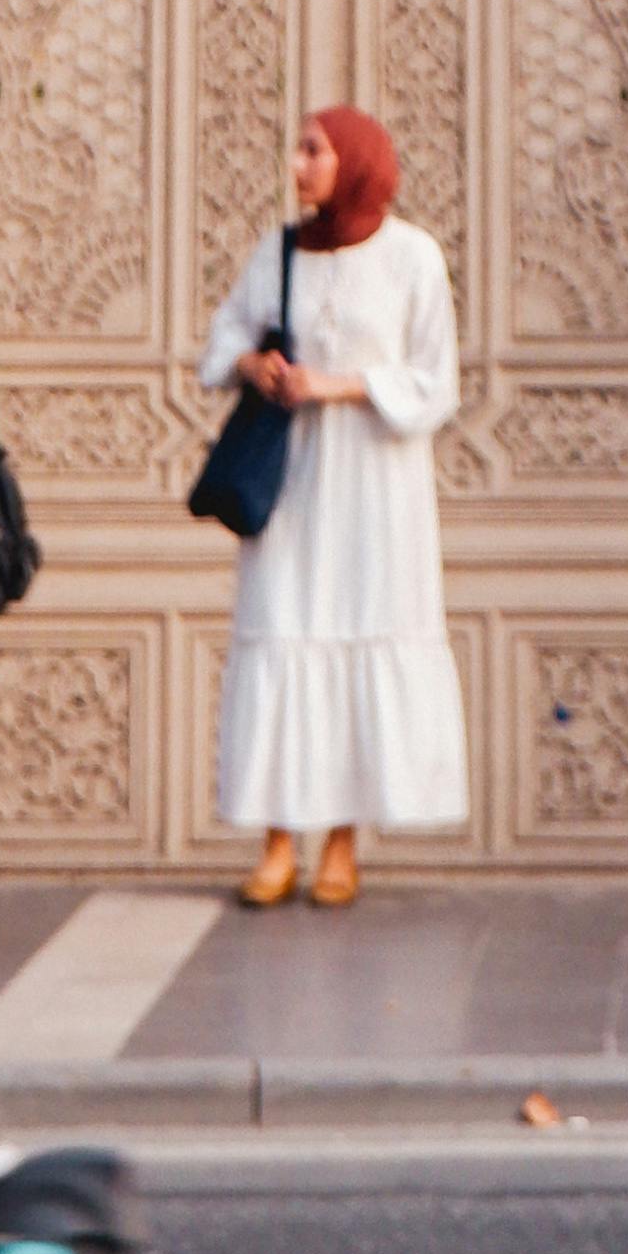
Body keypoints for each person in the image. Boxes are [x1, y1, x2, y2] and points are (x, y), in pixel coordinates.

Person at [200, 105, 465, 906]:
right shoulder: (279, 251)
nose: (298, 164)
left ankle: (343, 842)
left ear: (354, 160)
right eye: (299, 149)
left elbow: (435, 382)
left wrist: (340, 386)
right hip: (293, 481)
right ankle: (278, 840)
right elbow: (223, 339)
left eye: (314, 151)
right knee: (284, 628)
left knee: (357, 628)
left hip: (376, 486)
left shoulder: (413, 257)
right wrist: (254, 368)